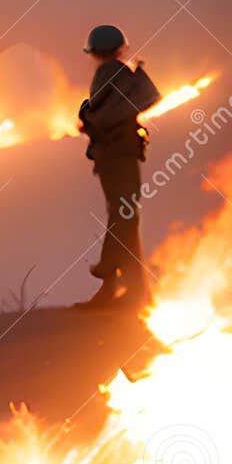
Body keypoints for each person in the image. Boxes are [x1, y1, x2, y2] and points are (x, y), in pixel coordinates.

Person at [76, 24, 160, 308]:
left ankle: (112, 280)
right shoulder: (124, 75)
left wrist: (88, 119)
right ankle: (135, 293)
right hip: (121, 156)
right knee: (127, 217)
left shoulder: (108, 74)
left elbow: (101, 117)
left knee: (123, 217)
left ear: (95, 52)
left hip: (115, 158)